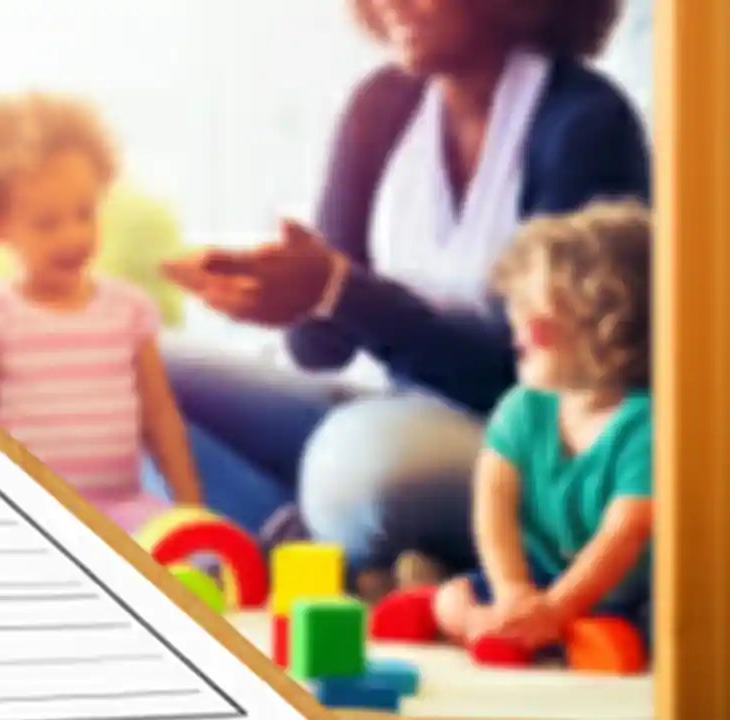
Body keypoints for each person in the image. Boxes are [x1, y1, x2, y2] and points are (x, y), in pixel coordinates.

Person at [161, 0, 650, 596]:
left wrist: (339, 290)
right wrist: (286, 294)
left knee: (368, 470)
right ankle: (290, 548)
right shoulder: (383, 105)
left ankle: (320, 548)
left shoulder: (585, 122)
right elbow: (322, 351)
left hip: (521, 441)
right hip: (386, 414)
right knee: (141, 370)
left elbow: (538, 378)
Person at [0, 91, 203, 533]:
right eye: (47, 223)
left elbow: (159, 415)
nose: (73, 236)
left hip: (122, 510)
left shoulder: (130, 311)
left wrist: (191, 507)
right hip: (27, 515)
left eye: (85, 214)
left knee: (182, 553)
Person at [433, 199, 653, 653]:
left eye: (536, 313)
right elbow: (493, 506)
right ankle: (480, 621)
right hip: (540, 576)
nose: (516, 324)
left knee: (663, 625)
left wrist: (558, 609)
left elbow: (624, 534)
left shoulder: (647, 424)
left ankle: (530, 631)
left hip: (626, 591)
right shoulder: (523, 408)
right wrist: (513, 591)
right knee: (452, 596)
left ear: (611, 328)